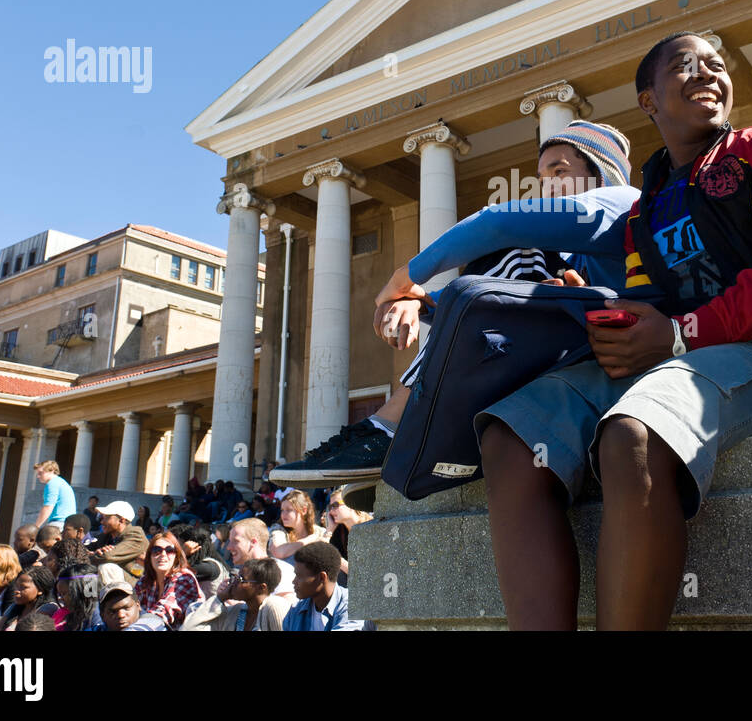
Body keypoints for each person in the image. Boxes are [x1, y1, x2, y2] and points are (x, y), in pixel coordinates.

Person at [474, 31, 752, 630]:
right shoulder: (647, 205)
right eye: (686, 66)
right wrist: (601, 313)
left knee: (632, 436)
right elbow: (648, 303)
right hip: (674, 356)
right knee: (509, 438)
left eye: (718, 66)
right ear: (648, 100)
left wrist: (679, 334)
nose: (708, 74)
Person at [273, 120, 639, 486]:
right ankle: (410, 427)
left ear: (603, 174)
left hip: (632, 361)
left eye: (560, 172)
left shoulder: (623, 201)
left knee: (518, 247)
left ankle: (393, 425)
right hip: (589, 358)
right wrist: (422, 304)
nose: (548, 188)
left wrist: (404, 279)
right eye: (543, 178)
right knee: (523, 271)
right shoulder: (574, 256)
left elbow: (497, 224)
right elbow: (499, 295)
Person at [181, 558, 291, 632]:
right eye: (236, 577)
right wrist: (219, 598)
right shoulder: (236, 612)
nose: (233, 582)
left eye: (241, 579)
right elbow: (188, 628)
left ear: (261, 587)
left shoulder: (274, 605)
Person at [283, 542, 362, 631]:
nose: (294, 581)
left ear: (322, 577)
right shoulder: (296, 610)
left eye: (299, 576)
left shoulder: (353, 606)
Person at [133, 530, 202, 630]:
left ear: (176, 556)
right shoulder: (145, 581)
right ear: (149, 556)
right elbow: (131, 605)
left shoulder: (184, 578)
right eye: (156, 550)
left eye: (169, 550)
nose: (163, 554)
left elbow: (164, 611)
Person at [225, 518, 296, 599]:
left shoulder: (282, 570)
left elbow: (285, 607)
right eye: (230, 541)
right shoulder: (240, 573)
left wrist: (238, 605)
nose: (228, 547)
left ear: (253, 542)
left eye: (236, 541)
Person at [87, 500, 148, 579]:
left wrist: (93, 555)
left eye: (106, 517)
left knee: (107, 567)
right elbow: (84, 548)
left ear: (121, 520)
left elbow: (108, 557)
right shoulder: (107, 536)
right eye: (102, 517)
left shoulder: (135, 535)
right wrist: (93, 553)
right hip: (119, 579)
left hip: (136, 582)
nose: (102, 521)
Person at [326, 490, 372, 587]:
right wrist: (329, 530)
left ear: (350, 504)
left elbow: (365, 573)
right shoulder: (338, 530)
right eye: (330, 507)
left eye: (335, 505)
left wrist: (337, 559)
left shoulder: (370, 529)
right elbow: (320, 552)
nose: (331, 511)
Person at [267, 489, 324, 566]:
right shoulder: (278, 529)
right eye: (282, 510)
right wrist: (312, 538)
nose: (283, 514)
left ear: (304, 510)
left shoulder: (318, 531)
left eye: (289, 510)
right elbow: (279, 552)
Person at [0, 565, 58, 631]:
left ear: (40, 590)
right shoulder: (14, 607)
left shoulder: (48, 608)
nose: (16, 591)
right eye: (16, 586)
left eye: (23, 587)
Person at [94, 580, 165, 631]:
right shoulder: (98, 628)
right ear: (102, 616)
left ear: (138, 606)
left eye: (126, 608)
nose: (121, 615)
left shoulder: (153, 623)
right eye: (113, 612)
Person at [54, 562, 101, 631]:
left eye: (64, 593)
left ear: (80, 592)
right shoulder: (74, 616)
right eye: (59, 594)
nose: (59, 598)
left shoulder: (98, 616)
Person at [33, 460, 77, 530]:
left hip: (59, 523)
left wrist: (35, 527)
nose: (38, 476)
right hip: (67, 523)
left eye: (40, 473)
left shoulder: (52, 483)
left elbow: (48, 507)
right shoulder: (60, 482)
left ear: (51, 471)